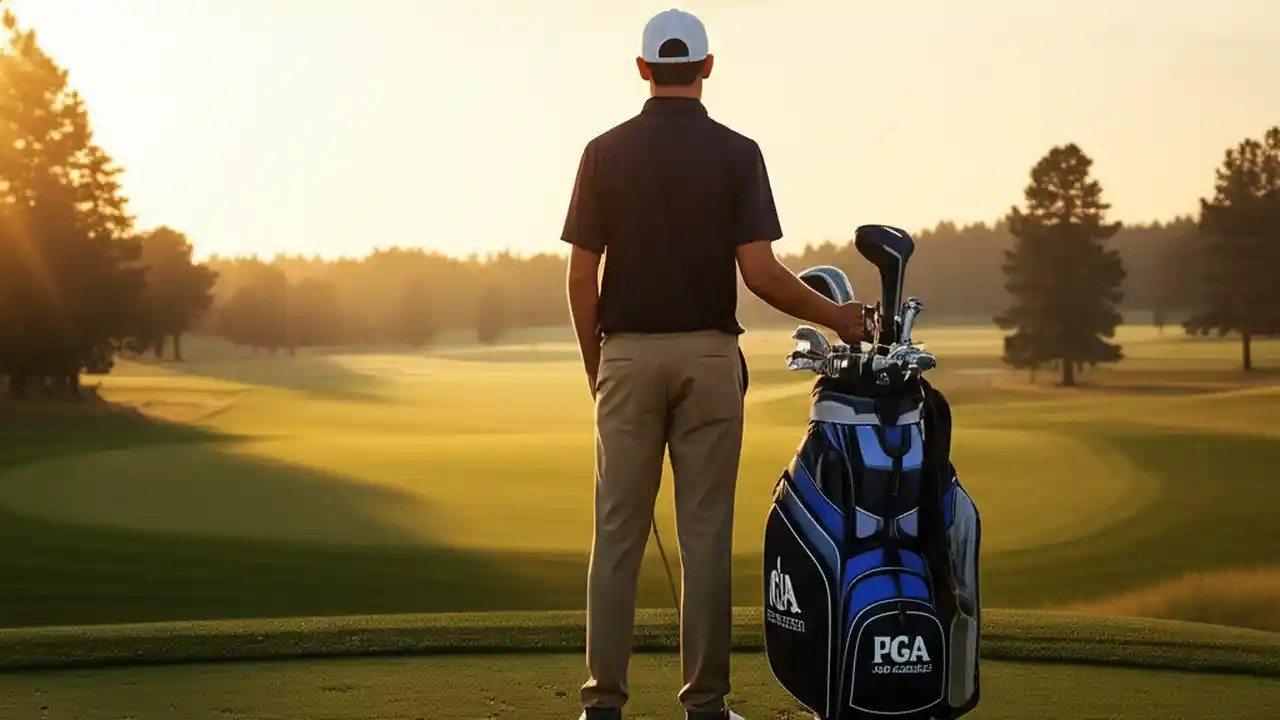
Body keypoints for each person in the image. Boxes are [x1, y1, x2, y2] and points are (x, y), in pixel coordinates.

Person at [561, 9, 870, 720]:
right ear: (707, 67)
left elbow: (582, 278)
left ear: (643, 70)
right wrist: (837, 317)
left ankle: (601, 706)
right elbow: (760, 274)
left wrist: (596, 365)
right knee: (704, 540)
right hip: (707, 359)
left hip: (626, 357)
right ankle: (706, 707)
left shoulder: (602, 152)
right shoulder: (738, 152)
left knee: (616, 538)